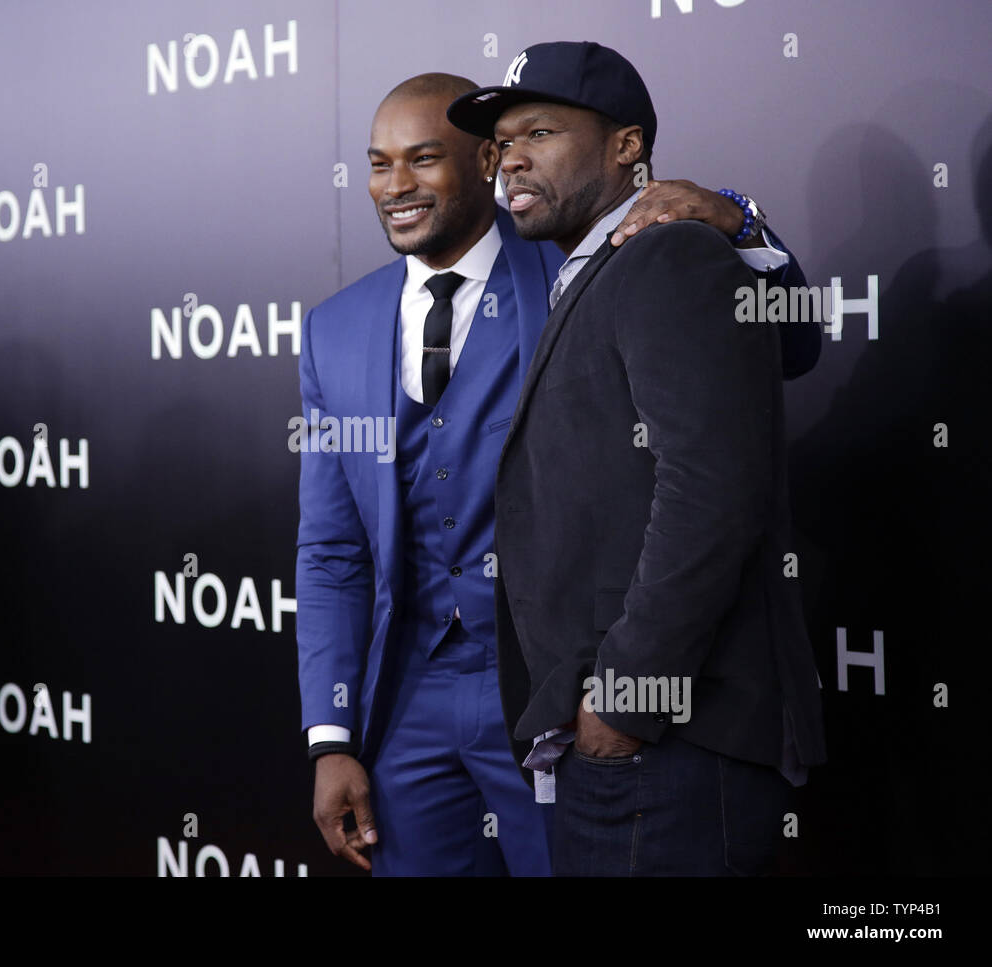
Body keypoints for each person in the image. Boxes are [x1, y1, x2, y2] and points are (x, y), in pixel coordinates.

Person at [297, 69, 817, 875]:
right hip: (406, 701)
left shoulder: (584, 261)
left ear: (475, 166)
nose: (396, 184)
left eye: (425, 157)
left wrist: (741, 221)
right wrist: (332, 737)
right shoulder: (334, 329)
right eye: (378, 162)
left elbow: (784, 345)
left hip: (550, 694)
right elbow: (332, 549)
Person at [446, 41, 827, 875]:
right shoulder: (593, 271)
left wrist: (620, 703)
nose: (511, 159)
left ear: (627, 147)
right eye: (502, 143)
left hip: (672, 743)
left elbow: (713, 491)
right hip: (628, 748)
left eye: (539, 132)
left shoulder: (671, 253)